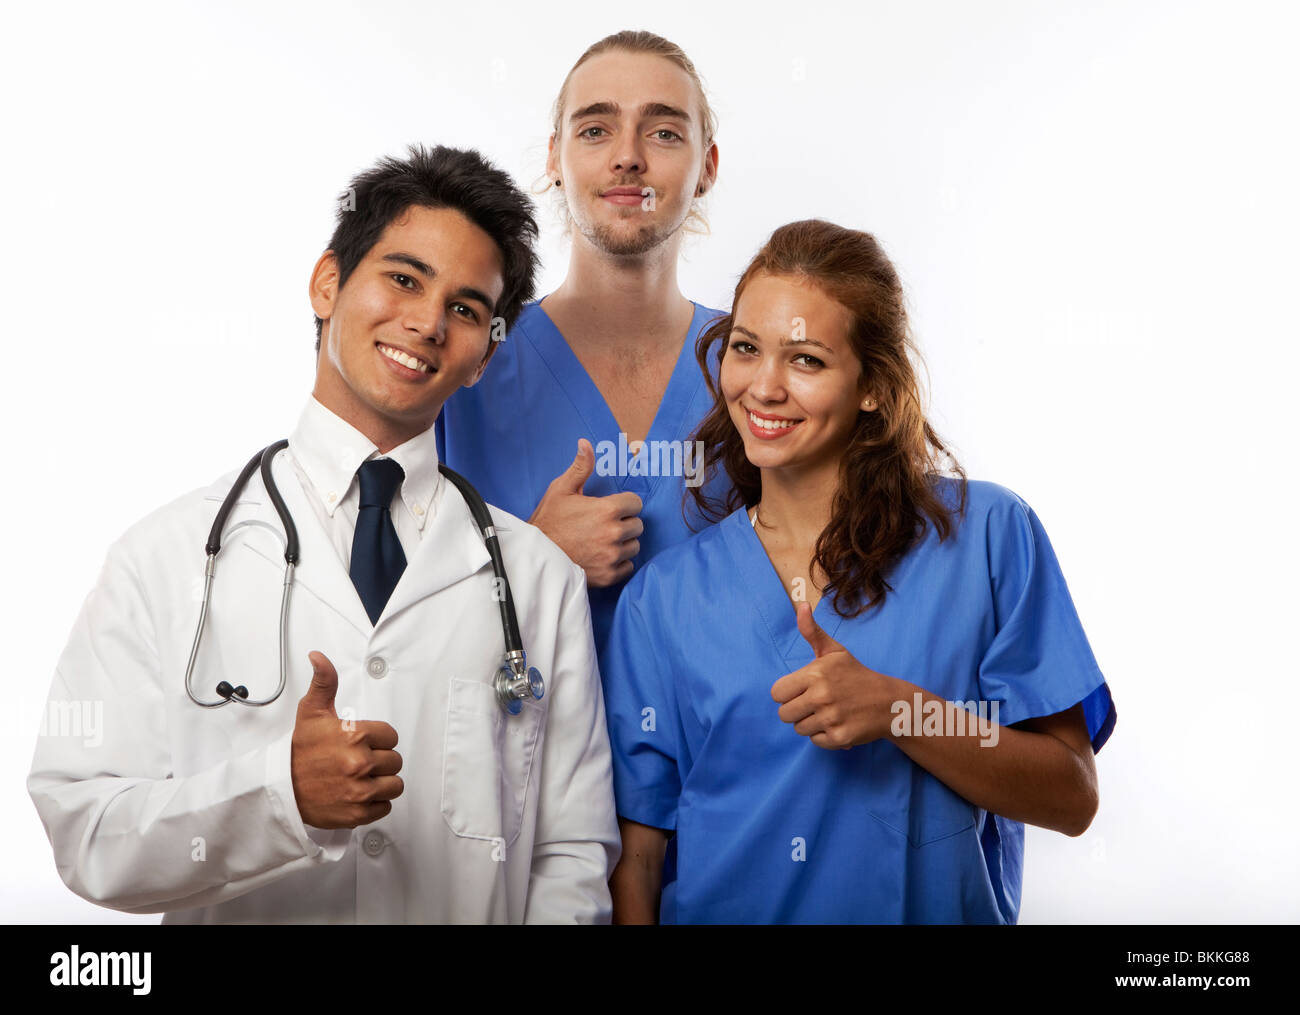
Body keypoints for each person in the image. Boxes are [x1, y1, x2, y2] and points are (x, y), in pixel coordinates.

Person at [27, 144, 620, 924]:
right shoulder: (164, 558)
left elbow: (571, 853)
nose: (427, 322)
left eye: (467, 308)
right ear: (327, 283)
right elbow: (88, 833)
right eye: (404, 279)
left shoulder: (536, 577)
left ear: (483, 356)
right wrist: (279, 797)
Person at [603, 219, 1117, 924]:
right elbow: (641, 852)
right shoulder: (664, 599)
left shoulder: (989, 537)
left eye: (806, 359)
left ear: (873, 384)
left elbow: (1072, 795)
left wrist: (897, 709)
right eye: (746, 348)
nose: (764, 386)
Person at [436, 30, 727, 663]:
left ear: (706, 166)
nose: (628, 157)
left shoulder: (760, 370)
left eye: (664, 132)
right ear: (554, 159)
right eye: (595, 130)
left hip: (723, 762)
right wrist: (533, 555)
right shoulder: (465, 367)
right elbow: (384, 626)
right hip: (520, 757)